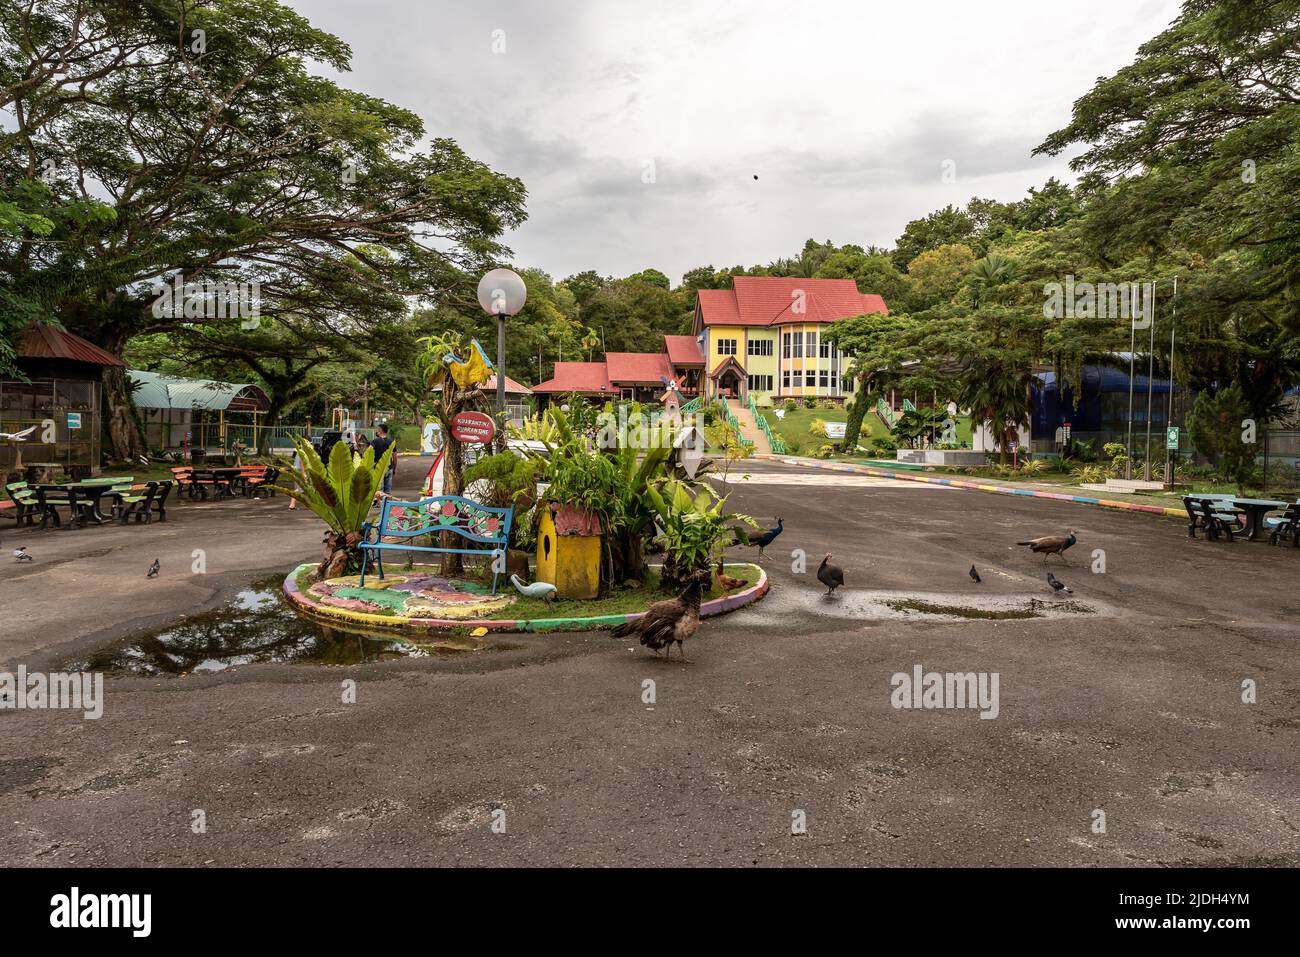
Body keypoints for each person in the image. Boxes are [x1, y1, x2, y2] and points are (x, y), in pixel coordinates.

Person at [370, 423, 397, 494]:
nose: (376, 431)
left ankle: (380, 505)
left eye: (377, 430)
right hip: (389, 468)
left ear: (380, 431)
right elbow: (395, 457)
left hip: (378, 469)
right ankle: (387, 504)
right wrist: (394, 468)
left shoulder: (374, 442)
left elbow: (369, 454)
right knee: (387, 492)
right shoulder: (391, 442)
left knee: (379, 492)